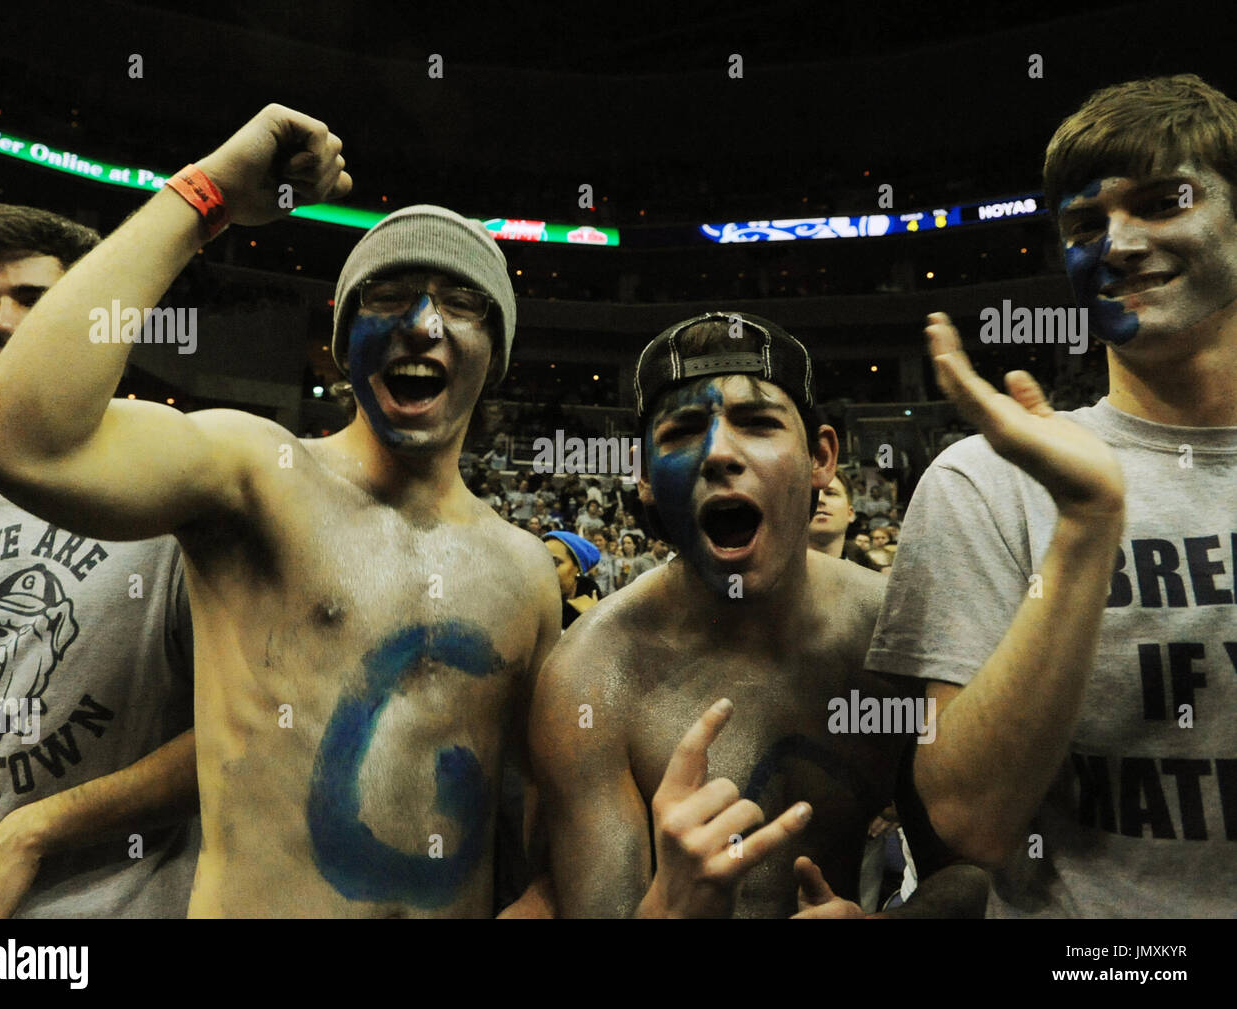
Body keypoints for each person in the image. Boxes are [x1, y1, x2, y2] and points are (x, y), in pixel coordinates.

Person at [0, 106, 561, 917]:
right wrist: (206, 195)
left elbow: (537, 830)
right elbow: (12, 439)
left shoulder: (525, 571)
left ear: (497, 351)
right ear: (345, 344)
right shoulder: (259, 472)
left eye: (462, 302)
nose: (424, 324)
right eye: (388, 297)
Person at [866, 73, 1237, 917]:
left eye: (1161, 203)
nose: (1118, 243)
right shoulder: (984, 483)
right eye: (1085, 224)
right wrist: (1085, 523)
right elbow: (966, 823)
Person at [528, 312, 986, 917]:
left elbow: (976, 867)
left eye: (758, 423)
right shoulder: (590, 675)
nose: (719, 453)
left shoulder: (891, 637)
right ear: (642, 477)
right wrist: (667, 910)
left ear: (821, 456)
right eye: (683, 432)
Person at [0, 204, 198, 918]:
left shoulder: (175, 485)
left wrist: (33, 833)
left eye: (34, 299)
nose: (0, 322)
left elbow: (255, 730)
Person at [541, 531, 600, 629]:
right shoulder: (530, 602)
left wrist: (593, 619)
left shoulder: (594, 605)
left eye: (555, 562)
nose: (544, 569)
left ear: (577, 568)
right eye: (542, 561)